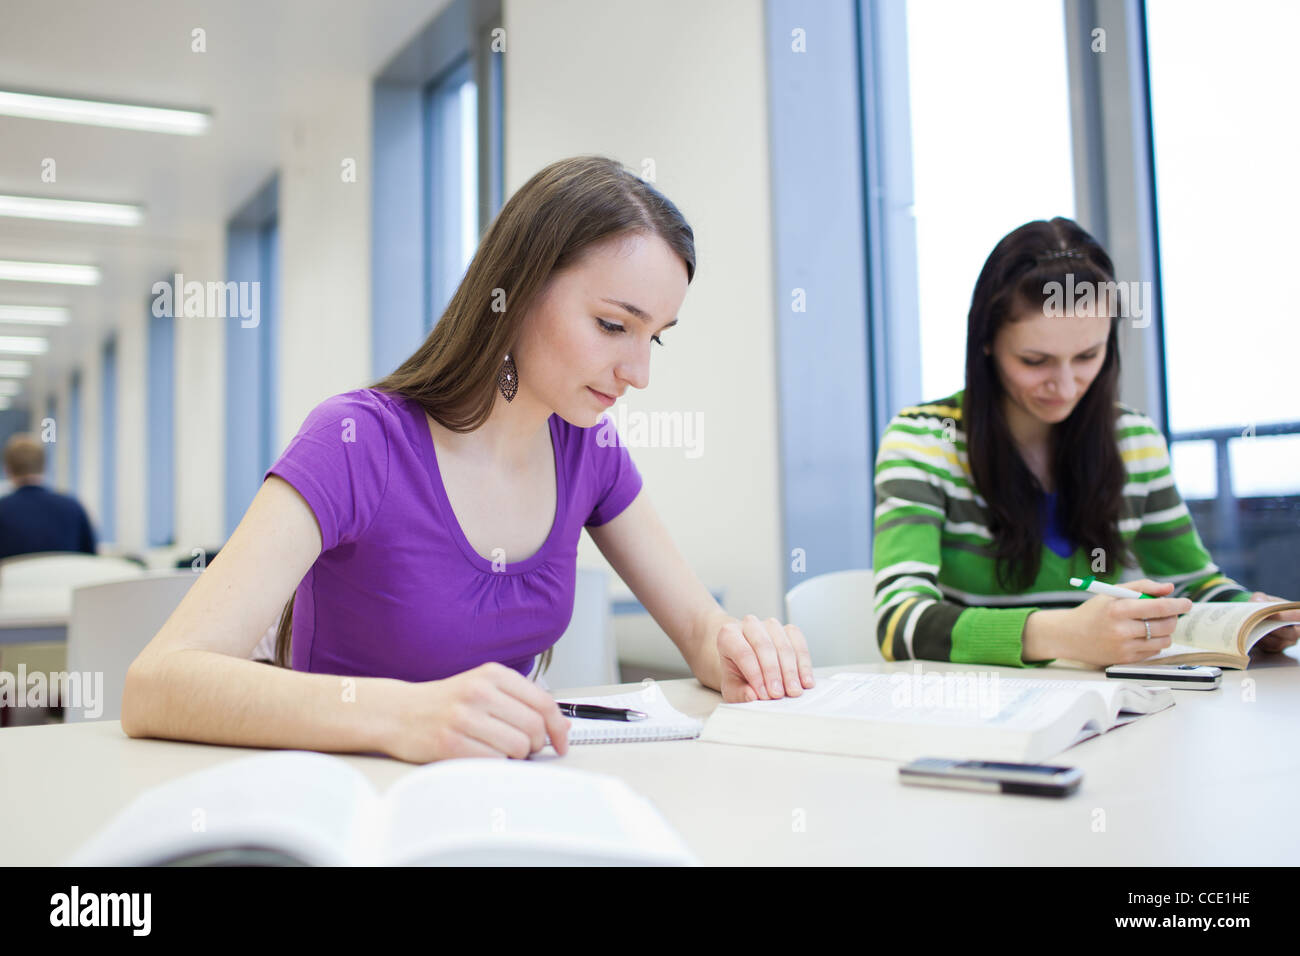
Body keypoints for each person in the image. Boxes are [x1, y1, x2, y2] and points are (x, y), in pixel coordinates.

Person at [123, 156, 814, 763]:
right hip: (341, 805)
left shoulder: (589, 448)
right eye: (612, 325)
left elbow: (698, 631)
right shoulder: (355, 441)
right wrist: (403, 714)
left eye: (654, 338)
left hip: (492, 806)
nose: (638, 373)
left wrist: (737, 647)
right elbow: (159, 682)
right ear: (513, 294)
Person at [872, 217, 1300, 667]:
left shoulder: (1133, 441)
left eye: (1087, 356)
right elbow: (900, 622)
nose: (1065, 385)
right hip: (972, 716)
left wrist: (1254, 617)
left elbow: (1196, 585)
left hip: (1108, 713)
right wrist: (1060, 635)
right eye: (1035, 361)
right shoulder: (922, 440)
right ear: (986, 344)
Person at [0, 433, 96, 559]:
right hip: (68, 578)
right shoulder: (72, 507)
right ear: (44, 466)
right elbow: (91, 559)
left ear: (8, 469)